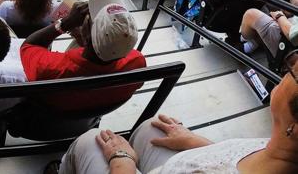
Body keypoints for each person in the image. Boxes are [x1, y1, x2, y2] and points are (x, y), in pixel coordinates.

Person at [57, 62, 298, 173]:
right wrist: (195, 143)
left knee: (90, 140)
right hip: (185, 163)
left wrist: (122, 161)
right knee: (152, 127)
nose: (292, 63)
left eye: (296, 71)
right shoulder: (283, 152)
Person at [20, 0, 144, 114]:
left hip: (45, 120)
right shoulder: (138, 64)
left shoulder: (49, 69)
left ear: (87, 33)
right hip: (87, 115)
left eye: (89, 19)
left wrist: (65, 23)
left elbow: (29, 46)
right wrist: (83, 39)